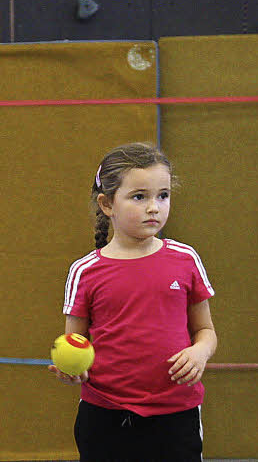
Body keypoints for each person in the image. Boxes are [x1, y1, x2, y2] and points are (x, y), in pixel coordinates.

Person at [51, 142, 217, 462]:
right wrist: (71, 370)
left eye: (163, 195)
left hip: (176, 413)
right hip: (105, 415)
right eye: (139, 197)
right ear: (107, 204)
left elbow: (206, 330)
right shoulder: (85, 271)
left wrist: (200, 352)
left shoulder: (186, 259)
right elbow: (75, 342)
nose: (154, 207)